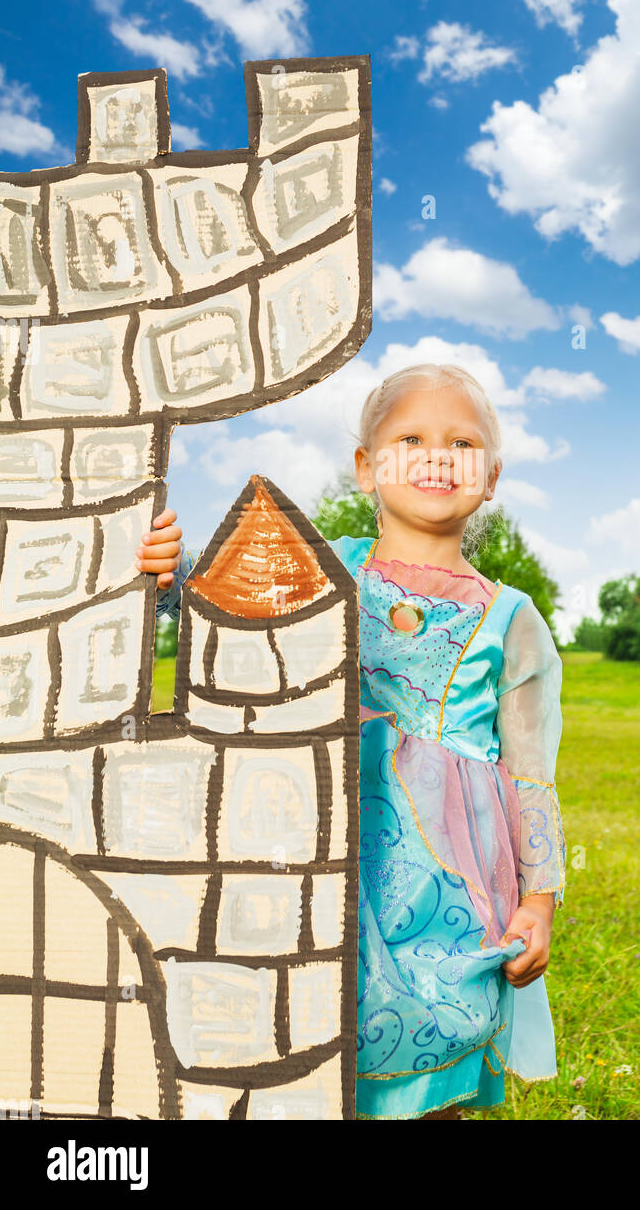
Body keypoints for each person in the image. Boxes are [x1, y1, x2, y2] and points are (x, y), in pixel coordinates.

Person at [137, 362, 567, 1120]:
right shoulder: (324, 567)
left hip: (452, 885)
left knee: (438, 1039)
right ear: (368, 467)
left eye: (462, 443)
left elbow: (531, 778)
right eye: (411, 438)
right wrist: (171, 574)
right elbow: (230, 607)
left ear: (491, 478)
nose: (437, 455)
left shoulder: (512, 619)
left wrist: (539, 902)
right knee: (319, 1031)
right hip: (328, 853)